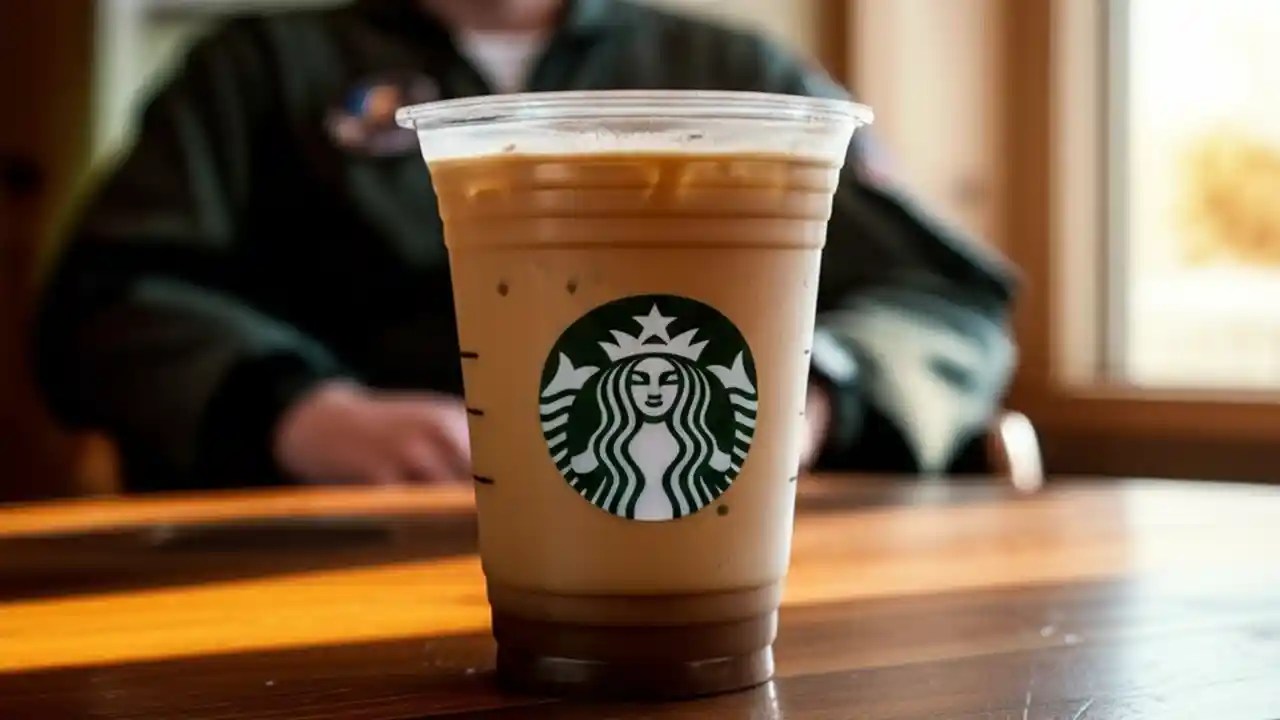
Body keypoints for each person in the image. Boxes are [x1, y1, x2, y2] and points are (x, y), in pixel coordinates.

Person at [34, 0, 1016, 492]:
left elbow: (946, 300)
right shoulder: (256, 69)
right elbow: (106, 301)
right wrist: (298, 412)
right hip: (327, 543)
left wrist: (814, 395)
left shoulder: (727, 71)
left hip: (694, 534)